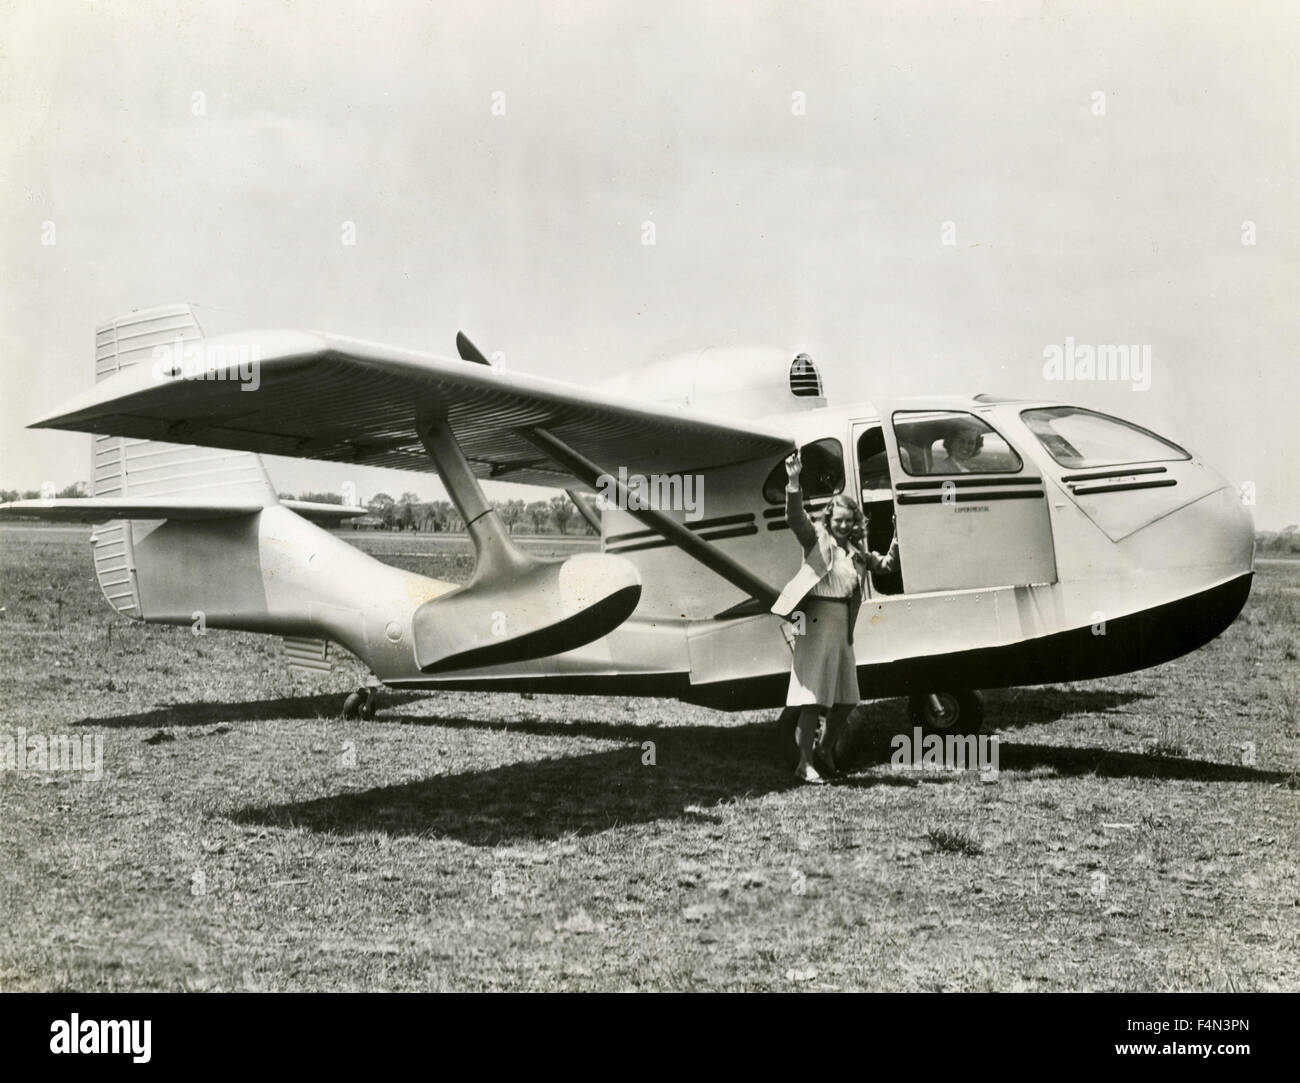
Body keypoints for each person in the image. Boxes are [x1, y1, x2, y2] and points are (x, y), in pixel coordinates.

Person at [771, 450, 899, 783]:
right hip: (815, 624)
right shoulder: (816, 541)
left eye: (848, 520)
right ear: (829, 519)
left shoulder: (857, 552)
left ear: (855, 522)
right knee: (812, 700)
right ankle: (805, 763)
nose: (842, 525)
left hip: (843, 628)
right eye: (837, 519)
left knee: (846, 700)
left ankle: (825, 750)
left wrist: (898, 540)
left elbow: (885, 566)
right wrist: (794, 481)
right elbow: (795, 517)